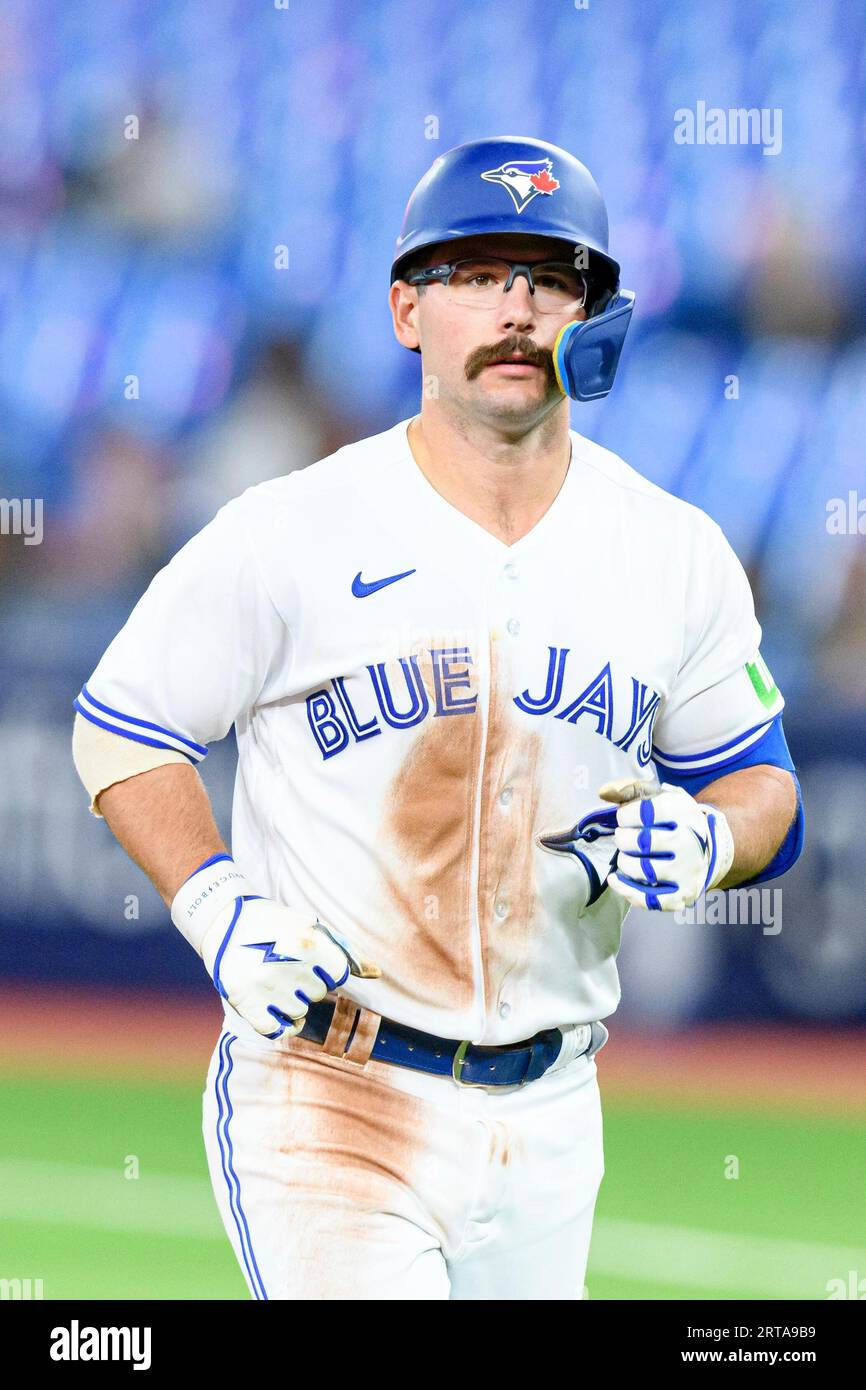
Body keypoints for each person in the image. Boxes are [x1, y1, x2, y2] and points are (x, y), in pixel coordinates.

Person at [71, 137, 804, 1301]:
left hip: (552, 1110)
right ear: (407, 308)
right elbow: (123, 727)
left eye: (550, 276)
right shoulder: (288, 529)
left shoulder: (673, 552)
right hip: (329, 1087)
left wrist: (716, 839)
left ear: (593, 313)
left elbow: (761, 784)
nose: (515, 308)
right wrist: (216, 907)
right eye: (476, 274)